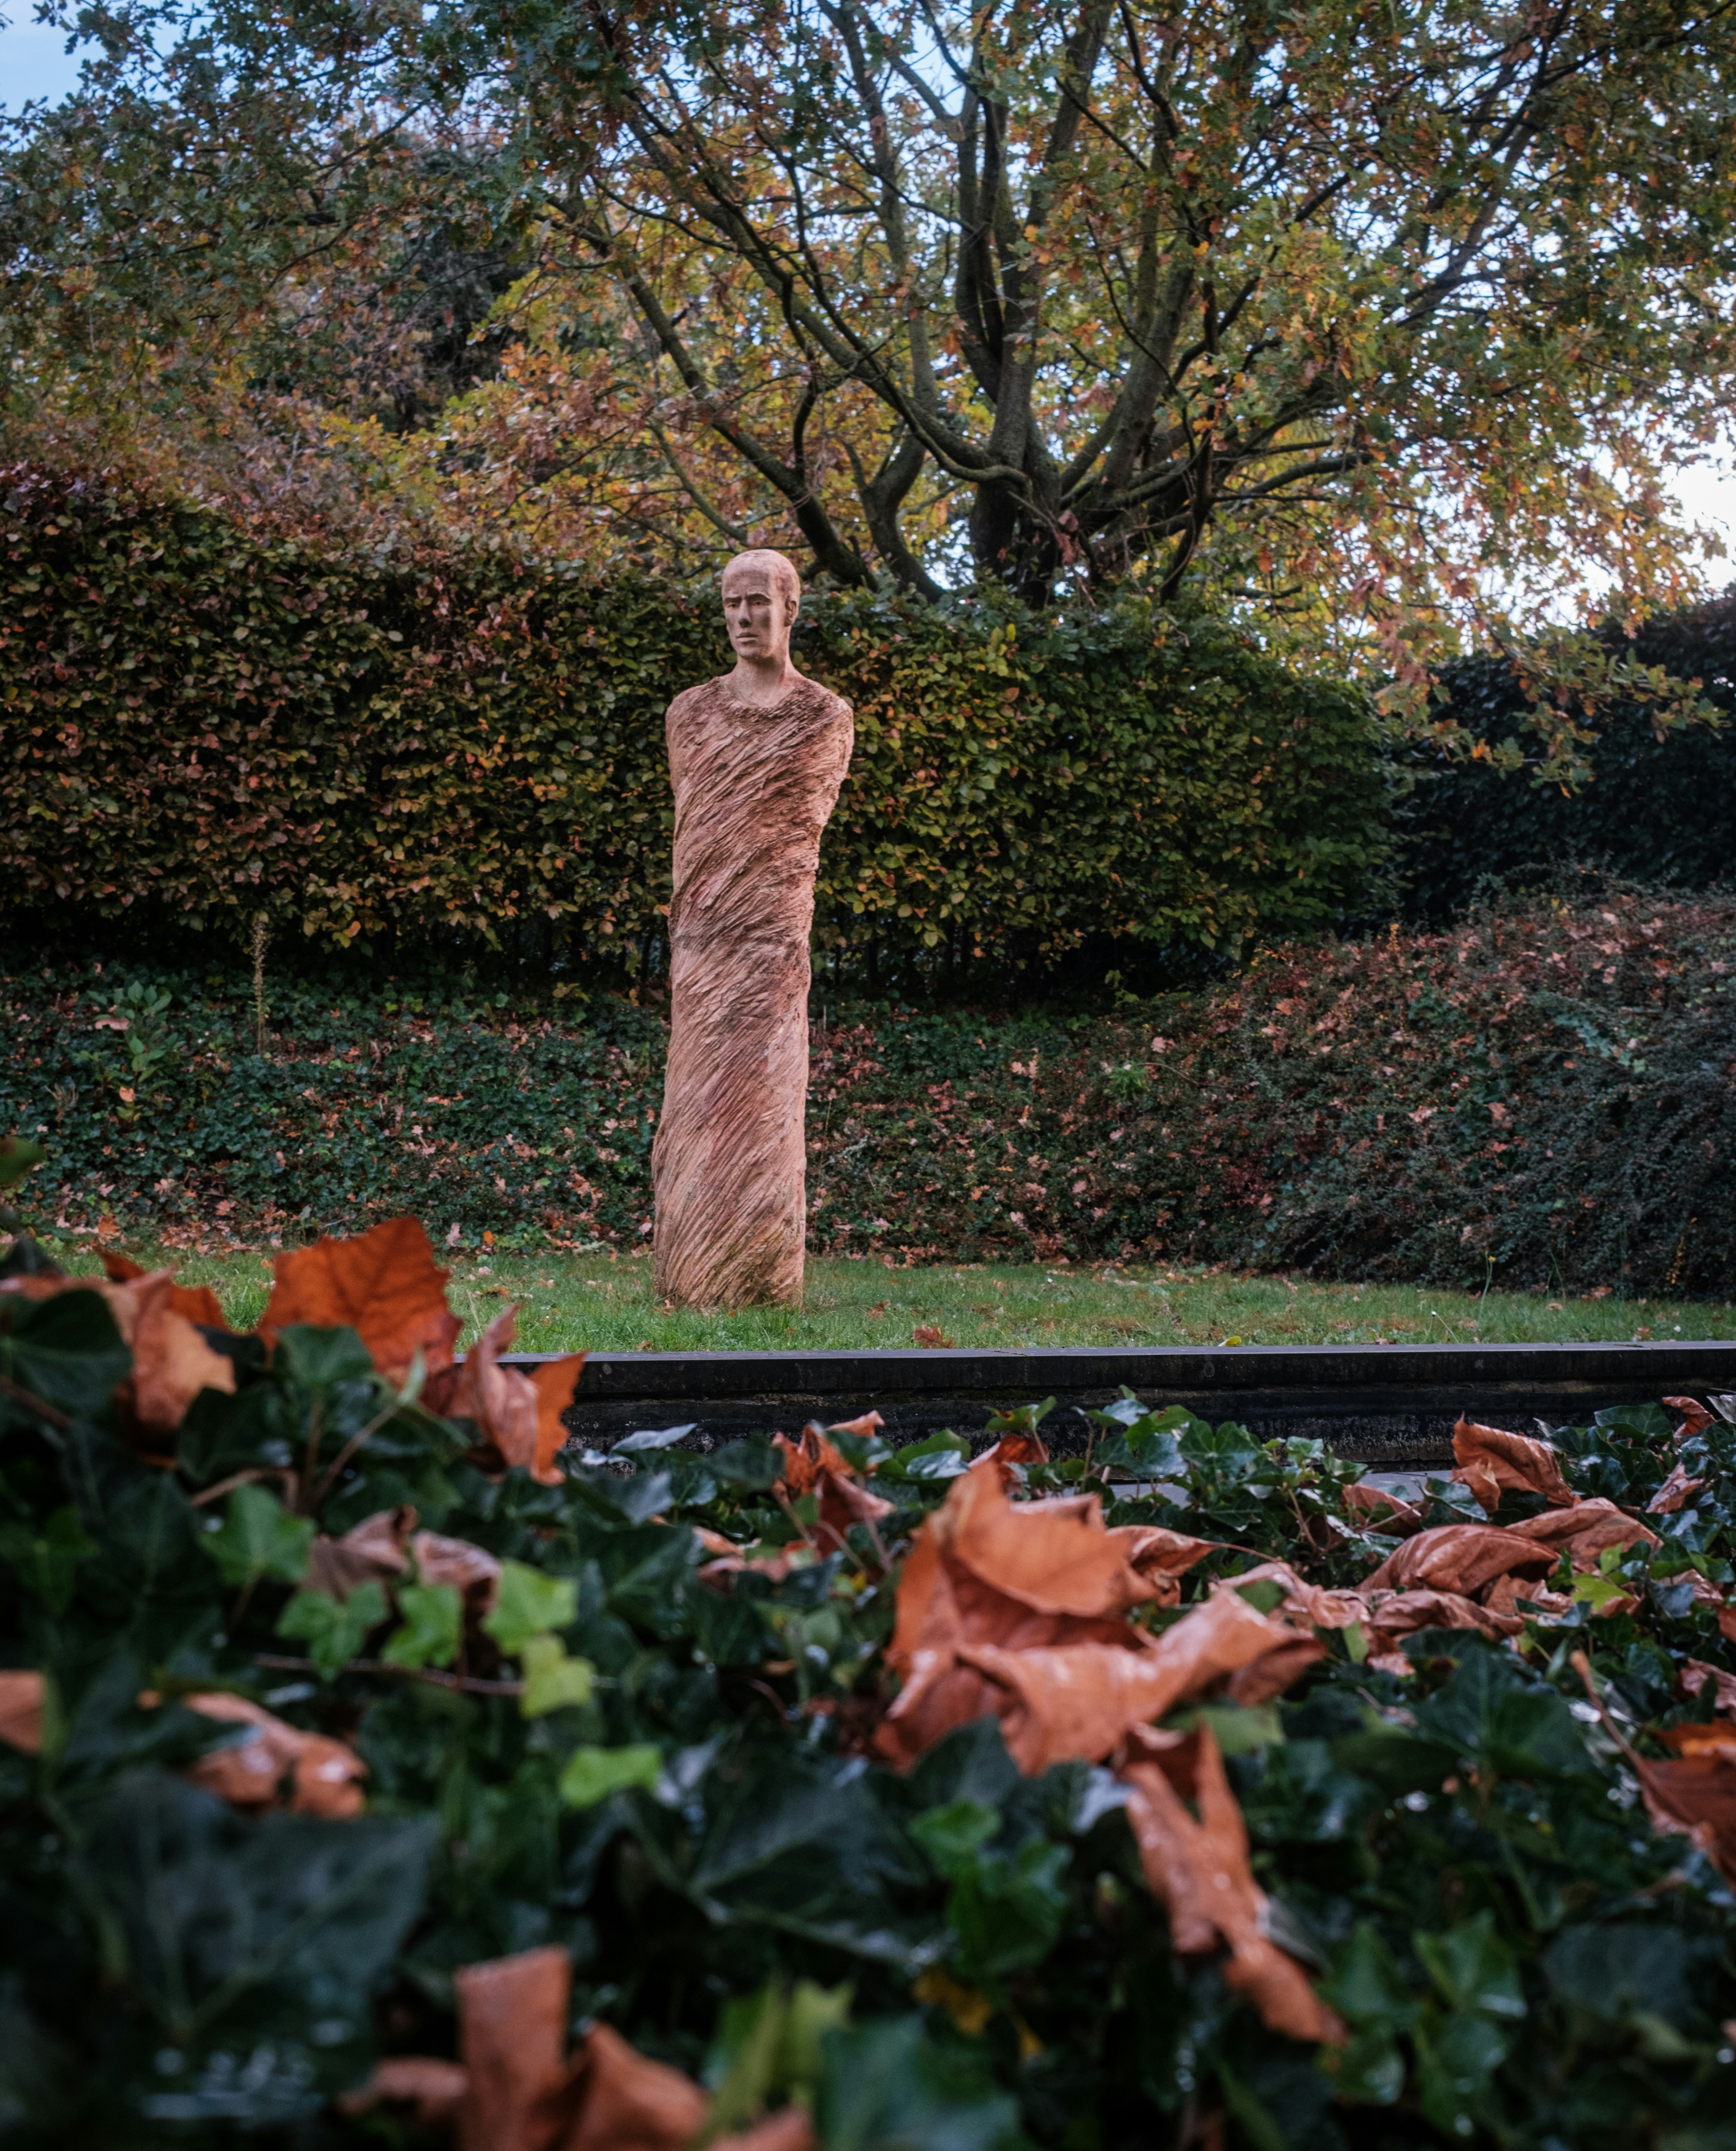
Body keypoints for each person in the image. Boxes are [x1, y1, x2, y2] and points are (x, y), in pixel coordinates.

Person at [651, 551, 854, 1307]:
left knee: (760, 1106)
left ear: (789, 609)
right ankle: (693, 1272)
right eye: (732, 604)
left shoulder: (821, 716)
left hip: (771, 946)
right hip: (701, 944)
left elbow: (794, 835)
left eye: (758, 604)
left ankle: (759, 1280)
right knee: (698, 1105)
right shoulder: (690, 712)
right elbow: (695, 824)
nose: (743, 618)